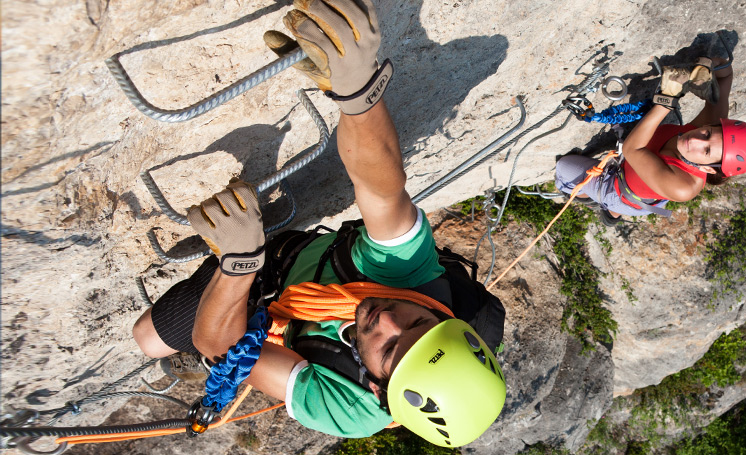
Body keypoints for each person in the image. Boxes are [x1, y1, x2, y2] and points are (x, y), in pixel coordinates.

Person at [129, 0, 505, 446]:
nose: (389, 320)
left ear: (375, 387)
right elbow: (382, 191)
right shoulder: (415, 283)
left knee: (148, 339)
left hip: (258, 291)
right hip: (287, 259)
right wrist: (358, 92)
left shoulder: (350, 409)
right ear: (438, 317)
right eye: (418, 324)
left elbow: (219, 350)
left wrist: (239, 264)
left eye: (388, 348)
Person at [554, 53, 746, 224]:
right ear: (711, 125)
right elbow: (726, 77)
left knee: (564, 167)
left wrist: (665, 102)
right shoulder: (712, 132)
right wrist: (711, 66)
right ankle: (612, 212)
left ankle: (602, 206)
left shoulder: (684, 188)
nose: (696, 140)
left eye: (706, 151)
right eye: (707, 133)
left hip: (621, 191)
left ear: (709, 169)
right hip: (643, 175)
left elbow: (632, 150)